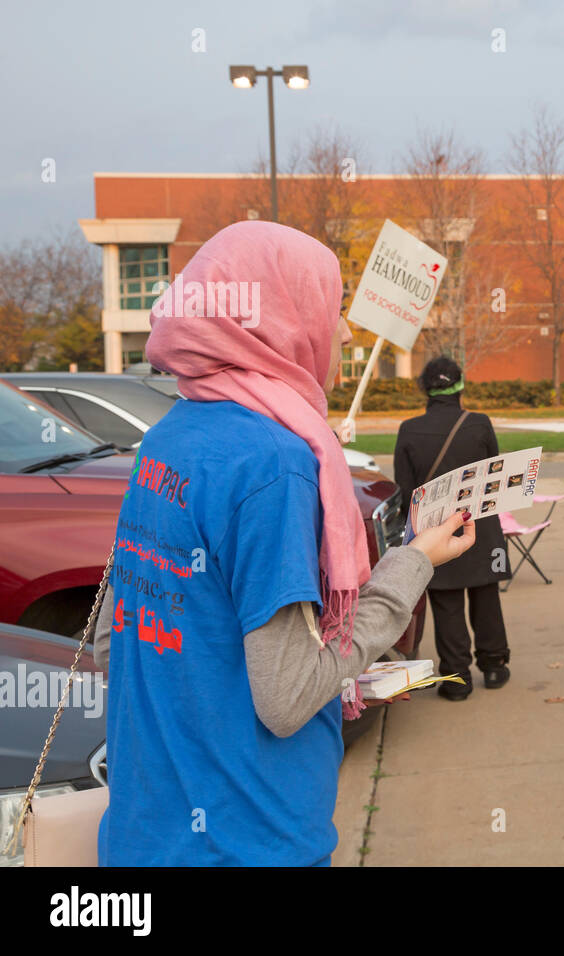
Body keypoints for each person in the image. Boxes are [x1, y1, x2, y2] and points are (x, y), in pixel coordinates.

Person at [91, 221, 476, 865]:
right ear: (274, 317)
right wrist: (413, 564)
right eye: (328, 303)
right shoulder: (274, 464)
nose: (346, 331)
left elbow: (114, 638)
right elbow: (288, 697)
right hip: (248, 841)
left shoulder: (168, 437)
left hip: (145, 832)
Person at [395, 356, 512, 701]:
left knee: (446, 601)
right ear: (460, 386)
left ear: (425, 389)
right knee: (486, 597)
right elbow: (494, 476)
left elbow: (405, 492)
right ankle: (493, 666)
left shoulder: (408, 430)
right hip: (482, 526)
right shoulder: (479, 424)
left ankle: (456, 679)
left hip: (436, 530)